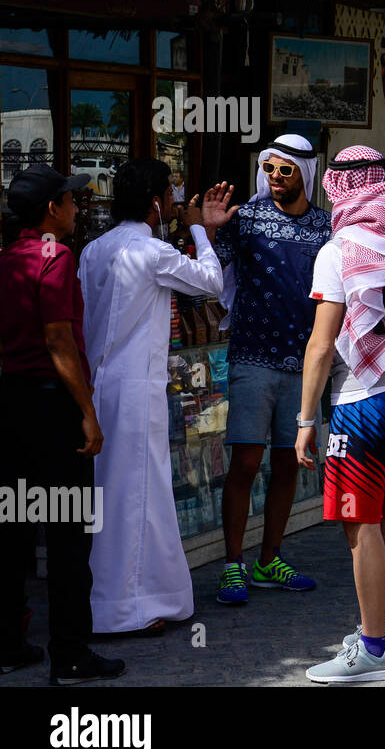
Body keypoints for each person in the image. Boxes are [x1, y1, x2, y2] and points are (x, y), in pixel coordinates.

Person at [295, 145, 385, 683]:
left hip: (360, 403)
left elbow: (321, 343)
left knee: (361, 528)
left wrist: (306, 420)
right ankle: (380, 633)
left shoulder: (338, 250)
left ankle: (373, 649)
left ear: (338, 187)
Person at [79, 159, 232, 634]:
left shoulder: (94, 250)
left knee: (115, 495)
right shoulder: (150, 251)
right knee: (138, 495)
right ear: (153, 203)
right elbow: (211, 281)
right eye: (168, 195)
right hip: (135, 388)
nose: (173, 203)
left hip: (102, 385)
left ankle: (122, 598)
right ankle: (132, 606)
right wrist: (201, 231)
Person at [0, 165, 125, 684]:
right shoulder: (56, 255)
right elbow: (58, 341)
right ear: (52, 209)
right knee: (70, 536)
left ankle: (9, 643)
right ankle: (71, 654)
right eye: (72, 200)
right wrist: (88, 413)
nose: (78, 208)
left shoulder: (7, 258)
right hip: (52, 406)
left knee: (12, 532)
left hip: (11, 405)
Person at [212, 134, 331, 604]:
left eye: (286, 170)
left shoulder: (328, 226)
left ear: (306, 171)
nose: (277, 178)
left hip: (305, 366)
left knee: (288, 464)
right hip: (251, 358)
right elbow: (210, 275)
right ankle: (232, 565)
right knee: (244, 462)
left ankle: (269, 560)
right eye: (271, 169)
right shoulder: (246, 219)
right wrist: (213, 229)